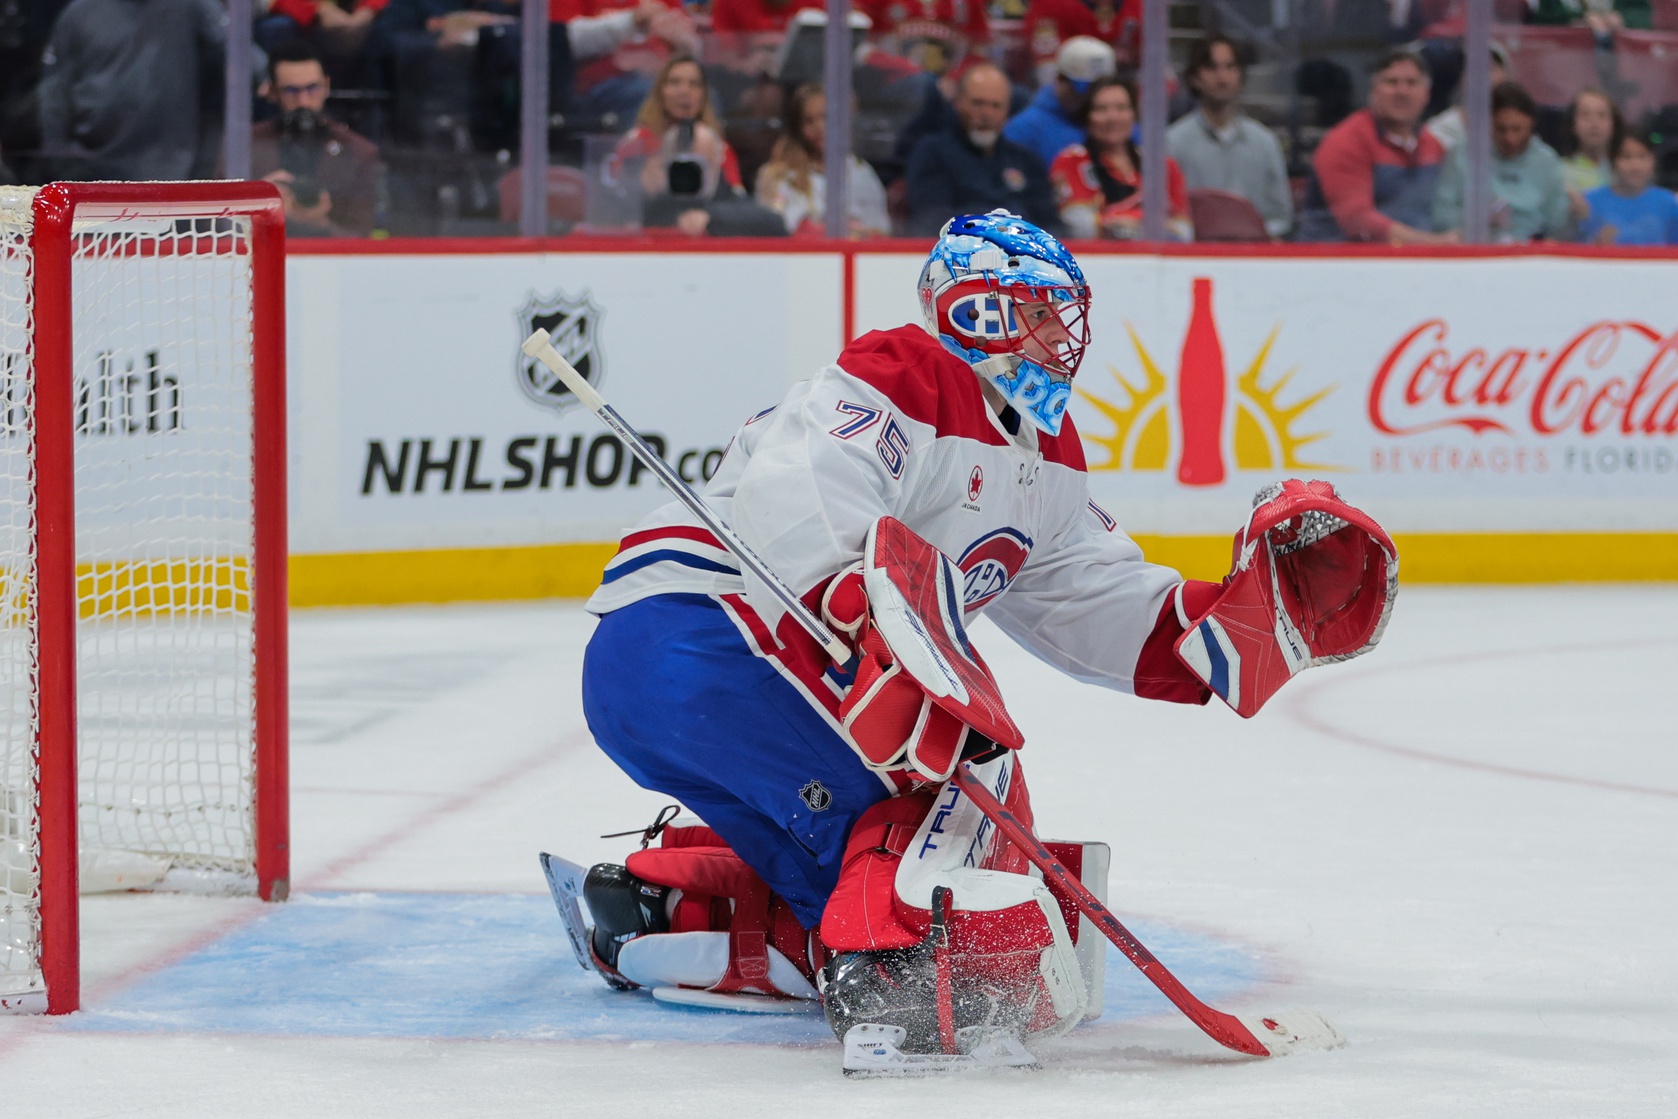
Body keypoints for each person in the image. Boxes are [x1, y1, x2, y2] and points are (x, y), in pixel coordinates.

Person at [570, 210, 1396, 1068]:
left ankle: (665, 911)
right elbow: (801, 491)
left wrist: (1223, 629)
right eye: (1039, 310)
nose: (1060, 336)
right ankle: (894, 980)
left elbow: (1086, 592)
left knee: (892, 870)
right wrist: (864, 619)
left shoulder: (1046, 453)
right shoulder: (909, 370)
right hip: (708, 636)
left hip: (713, 672)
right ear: (979, 310)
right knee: (940, 838)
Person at [36, 0, 226, 181]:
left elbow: (235, 57)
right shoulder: (80, 12)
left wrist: (257, 74)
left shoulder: (192, 6)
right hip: (92, 168)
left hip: (170, 164)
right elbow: (54, 91)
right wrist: (59, 154)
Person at [608, 56, 785, 236]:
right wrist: (642, 192)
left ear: (703, 94)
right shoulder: (635, 144)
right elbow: (609, 205)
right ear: (660, 91)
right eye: (674, 83)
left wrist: (712, 216)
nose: (684, 91)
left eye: (694, 84)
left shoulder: (717, 147)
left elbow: (739, 203)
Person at [1296, 49, 1453, 245]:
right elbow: (1357, 221)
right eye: (1391, 82)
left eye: (1412, 83)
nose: (1402, 92)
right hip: (1339, 263)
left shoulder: (1433, 146)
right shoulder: (1346, 141)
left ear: (1426, 94)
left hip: (1412, 262)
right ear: (1374, 90)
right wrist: (1433, 243)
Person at [905, 64, 1062, 236]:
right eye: (978, 103)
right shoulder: (932, 153)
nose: (986, 114)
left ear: (1007, 110)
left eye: (996, 106)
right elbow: (932, 219)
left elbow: (1051, 225)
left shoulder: (1026, 161)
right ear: (958, 102)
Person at [251, 41, 384, 237]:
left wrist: (319, 224)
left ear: (326, 86)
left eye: (312, 88)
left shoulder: (359, 152)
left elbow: (363, 239)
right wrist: (258, 203)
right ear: (272, 91)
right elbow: (220, 230)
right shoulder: (246, 147)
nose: (303, 101)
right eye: (291, 91)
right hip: (259, 261)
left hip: (335, 264)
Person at [1166, 34, 1292, 238]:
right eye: (1211, 68)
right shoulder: (1172, 142)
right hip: (1192, 258)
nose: (1222, 77)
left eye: (1230, 67)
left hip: (1252, 256)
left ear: (1241, 76)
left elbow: (1280, 216)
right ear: (1194, 77)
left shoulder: (1265, 142)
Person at [1050, 76, 1192, 240]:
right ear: (1087, 116)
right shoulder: (1071, 161)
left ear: (1134, 114)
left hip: (1160, 262)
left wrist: (1117, 223)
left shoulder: (1163, 166)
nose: (1112, 117)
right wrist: (1149, 226)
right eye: (1101, 109)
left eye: (1121, 108)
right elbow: (1079, 227)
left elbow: (1184, 232)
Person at [1433, 81, 1570, 243]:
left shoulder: (1547, 161)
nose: (1510, 138)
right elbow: (1441, 215)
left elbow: (1558, 224)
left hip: (1530, 250)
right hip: (1475, 245)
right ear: (1489, 123)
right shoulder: (1462, 153)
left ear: (1532, 124)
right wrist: (1478, 219)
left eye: (1517, 129)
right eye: (1501, 129)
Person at [755, 84, 890, 236]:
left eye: (826, 117)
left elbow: (879, 231)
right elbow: (777, 231)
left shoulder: (861, 172)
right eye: (809, 121)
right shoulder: (778, 176)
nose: (819, 127)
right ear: (797, 128)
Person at [1002, 35, 1116, 171]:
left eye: (1099, 90)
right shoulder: (1023, 130)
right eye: (1085, 90)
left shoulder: (1120, 124)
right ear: (1060, 80)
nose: (1091, 99)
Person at [1578, 131, 1678, 246]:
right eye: (1626, 157)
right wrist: (1597, 242)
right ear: (1612, 162)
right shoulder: (1591, 201)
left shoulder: (1668, 202)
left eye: (1642, 157)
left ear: (1654, 161)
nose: (1635, 166)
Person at [1021, 0, 1139, 83]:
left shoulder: (1144, 5)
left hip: (1131, 91)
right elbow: (1048, 73)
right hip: (1075, 94)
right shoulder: (1049, 3)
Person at [1423, 42, 1509, 154]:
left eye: (1490, 67)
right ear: (1462, 77)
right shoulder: (1437, 132)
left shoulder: (1522, 131)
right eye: (1476, 68)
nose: (1484, 76)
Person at [1559, 87, 1623, 218]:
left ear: (1614, 124)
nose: (1594, 123)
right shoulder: (1559, 172)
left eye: (1602, 115)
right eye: (1585, 115)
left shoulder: (1625, 169)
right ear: (1573, 124)